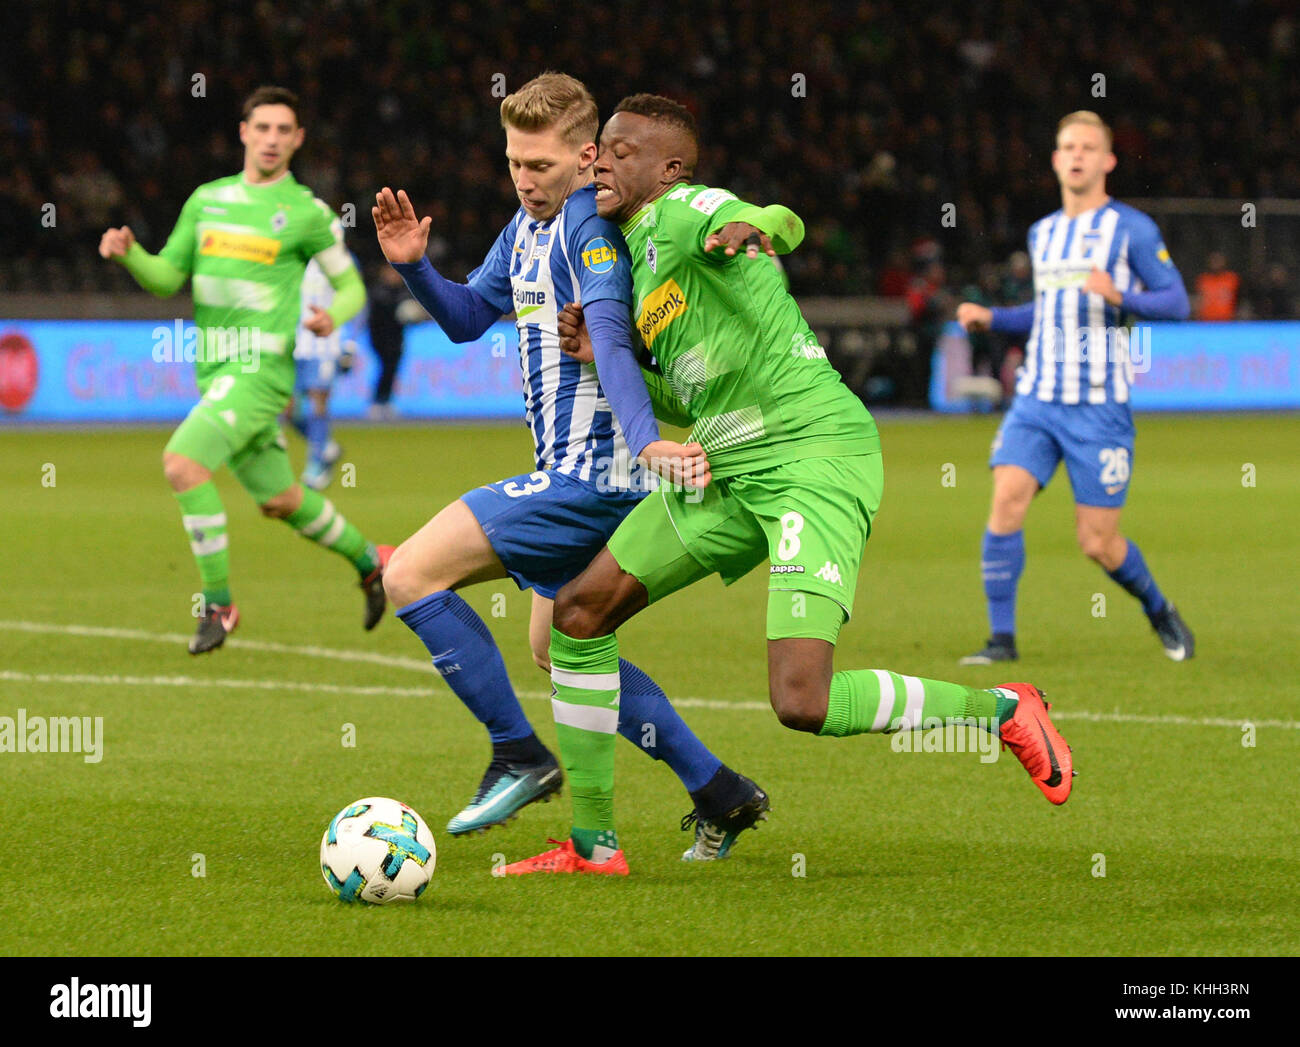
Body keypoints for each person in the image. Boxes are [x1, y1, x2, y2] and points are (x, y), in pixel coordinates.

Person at [497, 94, 1074, 877]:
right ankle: (595, 845)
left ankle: (1003, 711)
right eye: (600, 149)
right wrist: (612, 361)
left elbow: (765, 216)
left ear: (666, 169)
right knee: (578, 612)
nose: (601, 160)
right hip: (727, 465)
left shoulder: (682, 211)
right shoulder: (633, 265)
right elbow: (690, 393)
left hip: (812, 457)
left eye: (621, 151)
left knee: (802, 701)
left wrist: (759, 224)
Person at [373, 73, 766, 859]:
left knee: (410, 574)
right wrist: (415, 265)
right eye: (515, 162)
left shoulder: (588, 229)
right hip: (576, 470)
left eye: (542, 166)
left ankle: (517, 752)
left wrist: (647, 440)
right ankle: (720, 792)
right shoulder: (524, 227)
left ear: (587, 159)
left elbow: (613, 336)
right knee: (564, 646)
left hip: (596, 476)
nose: (525, 179)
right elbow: (464, 319)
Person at [99, 86, 390, 654]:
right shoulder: (206, 200)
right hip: (214, 370)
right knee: (279, 499)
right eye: (263, 128)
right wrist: (131, 254)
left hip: (261, 371)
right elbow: (165, 278)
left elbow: (351, 282)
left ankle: (219, 604)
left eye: (285, 130)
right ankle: (371, 561)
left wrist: (335, 315)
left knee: (183, 464)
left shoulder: (306, 213)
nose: (273, 139)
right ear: (244, 132)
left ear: (298, 139)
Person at [955, 111, 1193, 666]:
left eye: (1089, 146)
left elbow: (1177, 302)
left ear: (1108, 160)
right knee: (1006, 502)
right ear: (1057, 159)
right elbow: (1050, 309)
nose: (1077, 155)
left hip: (1098, 407)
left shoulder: (1132, 229)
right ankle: (1001, 641)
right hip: (1037, 398)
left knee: (1098, 542)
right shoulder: (1043, 233)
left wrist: (1120, 297)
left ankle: (1158, 609)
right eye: (1068, 146)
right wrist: (994, 317)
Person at [289, 255, 360, 489]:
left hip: (327, 342)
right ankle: (324, 445)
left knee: (318, 399)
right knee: (288, 410)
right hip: (296, 344)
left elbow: (357, 300)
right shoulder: (292, 256)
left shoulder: (340, 261)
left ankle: (316, 465)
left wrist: (350, 343)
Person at [1194, 251, 1239, 321]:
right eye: (1214, 261)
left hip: (1227, 321)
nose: (1216, 264)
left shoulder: (1232, 279)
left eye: (1218, 261)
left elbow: (1238, 300)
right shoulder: (1203, 279)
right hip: (1206, 321)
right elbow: (1199, 300)